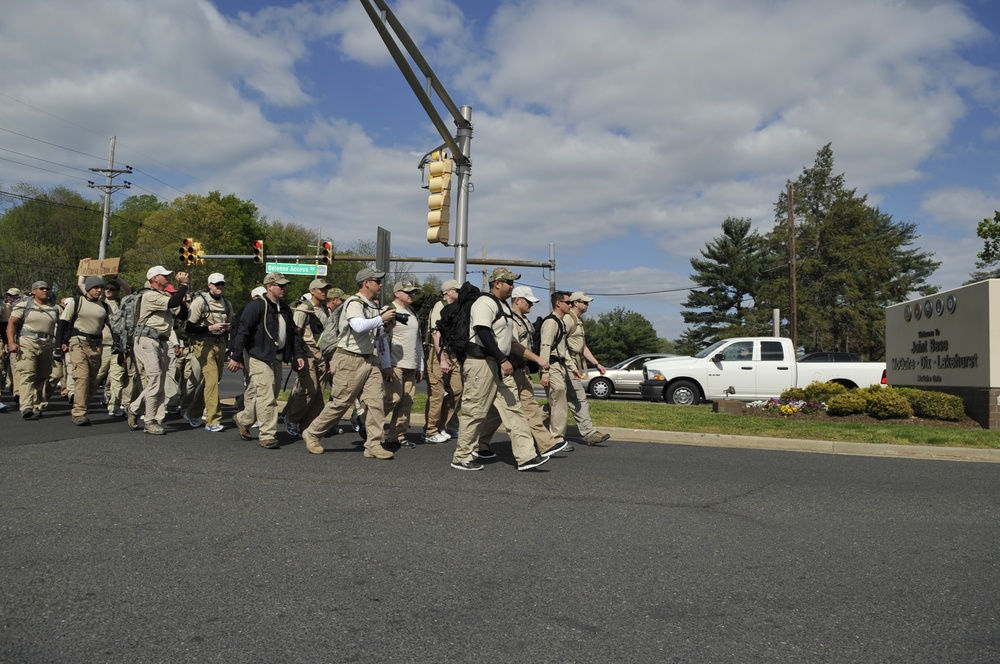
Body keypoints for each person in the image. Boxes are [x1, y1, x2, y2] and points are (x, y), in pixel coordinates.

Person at [450, 268, 551, 472]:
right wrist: (502, 359)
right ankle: (461, 457)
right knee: (475, 412)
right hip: (481, 364)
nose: (512, 286)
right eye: (509, 282)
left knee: (514, 409)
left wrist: (537, 359)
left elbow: (511, 342)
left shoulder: (503, 308)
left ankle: (526, 457)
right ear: (497, 283)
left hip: (499, 365)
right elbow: (482, 332)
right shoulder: (484, 303)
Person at [300, 267, 396, 459]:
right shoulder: (354, 302)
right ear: (366, 283)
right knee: (341, 403)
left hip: (369, 359)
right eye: (377, 281)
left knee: (375, 403)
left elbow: (373, 336)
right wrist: (380, 318)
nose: (380, 284)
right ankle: (312, 433)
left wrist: (386, 327)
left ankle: (374, 445)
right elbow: (357, 325)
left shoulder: (370, 305)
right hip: (349, 358)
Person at [478, 286, 569, 459]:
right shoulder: (510, 320)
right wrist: (538, 360)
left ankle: (546, 444)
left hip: (521, 370)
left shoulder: (524, 321)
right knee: (498, 413)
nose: (531, 306)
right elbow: (512, 345)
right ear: (517, 300)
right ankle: (479, 444)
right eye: (528, 302)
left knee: (530, 408)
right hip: (510, 370)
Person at [228, 273, 305, 449]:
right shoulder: (256, 306)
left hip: (276, 358)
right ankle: (267, 435)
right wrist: (236, 356)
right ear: (269, 286)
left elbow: (293, 334)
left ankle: (243, 419)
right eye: (280, 285)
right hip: (259, 357)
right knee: (267, 396)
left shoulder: (284, 308)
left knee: (271, 393)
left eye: (284, 286)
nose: (283, 289)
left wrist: (298, 355)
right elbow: (243, 331)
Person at [126, 266, 190, 435]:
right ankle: (150, 421)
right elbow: (173, 303)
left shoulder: (162, 295)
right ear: (155, 279)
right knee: (155, 380)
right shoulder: (150, 295)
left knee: (160, 382)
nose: (168, 277)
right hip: (147, 339)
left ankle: (135, 409)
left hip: (160, 341)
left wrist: (182, 295)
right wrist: (183, 285)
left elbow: (183, 314)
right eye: (164, 276)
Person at [183, 273, 234, 432]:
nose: (219, 287)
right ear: (209, 285)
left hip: (220, 343)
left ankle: (192, 412)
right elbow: (189, 328)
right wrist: (209, 328)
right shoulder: (200, 302)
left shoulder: (227, 303)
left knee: (212, 380)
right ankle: (213, 421)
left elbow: (232, 324)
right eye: (216, 284)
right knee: (212, 381)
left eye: (221, 284)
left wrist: (228, 329)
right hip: (203, 343)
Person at [57, 276, 111, 425]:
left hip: (96, 345)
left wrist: (118, 344)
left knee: (93, 380)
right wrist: (58, 345)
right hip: (78, 342)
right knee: (82, 377)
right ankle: (79, 413)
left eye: (101, 288)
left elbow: (112, 326)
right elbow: (62, 324)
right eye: (95, 288)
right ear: (88, 289)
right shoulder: (76, 302)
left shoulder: (104, 306)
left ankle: (83, 404)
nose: (99, 290)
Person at [5, 281, 59, 419]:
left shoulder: (55, 308)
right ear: (34, 291)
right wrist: (11, 342)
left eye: (47, 288)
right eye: (41, 288)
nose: (45, 290)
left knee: (42, 376)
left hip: (47, 344)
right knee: (27, 373)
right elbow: (11, 324)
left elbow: (64, 324)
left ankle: (36, 404)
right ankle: (26, 406)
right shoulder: (25, 306)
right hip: (27, 342)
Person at [284, 278, 331, 436]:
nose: (324, 292)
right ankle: (292, 418)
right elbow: (295, 334)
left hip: (322, 353)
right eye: (320, 289)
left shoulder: (325, 310)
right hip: (307, 351)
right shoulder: (303, 309)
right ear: (312, 291)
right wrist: (298, 356)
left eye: (325, 289)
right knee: (309, 389)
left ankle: (308, 425)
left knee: (319, 393)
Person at [563, 291, 611, 445]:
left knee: (557, 402)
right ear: (575, 302)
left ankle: (534, 424)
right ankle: (590, 433)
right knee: (579, 398)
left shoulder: (578, 321)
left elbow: (582, 347)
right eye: (585, 302)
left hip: (574, 364)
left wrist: (596, 364)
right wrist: (570, 365)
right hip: (567, 365)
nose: (587, 305)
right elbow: (559, 345)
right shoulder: (567, 319)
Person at [384, 280, 425, 448]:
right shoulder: (388, 310)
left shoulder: (411, 313)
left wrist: (420, 364)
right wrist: (385, 364)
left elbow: (417, 341)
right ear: (396, 293)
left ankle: (397, 436)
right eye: (407, 292)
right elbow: (382, 339)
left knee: (406, 401)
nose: (411, 295)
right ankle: (367, 422)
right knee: (393, 398)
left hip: (410, 363)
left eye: (412, 292)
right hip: (395, 363)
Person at [423, 279, 462, 443]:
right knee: (437, 393)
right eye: (457, 290)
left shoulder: (456, 309)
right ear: (449, 292)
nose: (459, 294)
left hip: (453, 353)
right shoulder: (440, 306)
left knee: (457, 389)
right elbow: (435, 334)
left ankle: (442, 426)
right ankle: (430, 431)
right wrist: (442, 359)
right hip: (438, 353)